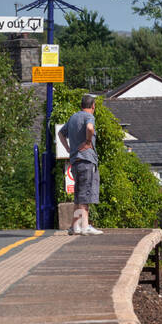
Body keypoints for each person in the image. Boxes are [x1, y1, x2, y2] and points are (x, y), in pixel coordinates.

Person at [58, 93, 102, 235]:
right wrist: (88, 142)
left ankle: (74, 226)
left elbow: (60, 133)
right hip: (86, 160)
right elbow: (89, 128)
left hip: (75, 161)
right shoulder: (89, 117)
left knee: (78, 194)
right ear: (93, 106)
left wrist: (67, 148)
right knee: (85, 195)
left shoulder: (73, 117)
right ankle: (85, 226)